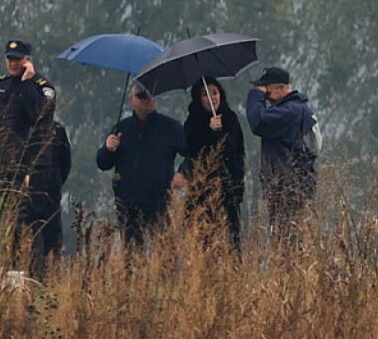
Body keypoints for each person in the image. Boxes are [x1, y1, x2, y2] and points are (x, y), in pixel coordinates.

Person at [94, 84, 187, 248]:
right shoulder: (122, 128)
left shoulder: (171, 127)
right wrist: (108, 149)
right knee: (132, 259)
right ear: (132, 100)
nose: (147, 99)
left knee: (165, 256)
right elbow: (103, 163)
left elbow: (193, 153)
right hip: (128, 204)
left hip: (159, 203)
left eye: (151, 95)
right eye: (141, 95)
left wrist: (183, 172)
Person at [0, 39, 58, 213]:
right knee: (6, 217)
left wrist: (27, 82)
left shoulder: (42, 86)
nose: (12, 63)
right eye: (9, 59)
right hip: (4, 164)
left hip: (31, 166)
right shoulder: (2, 84)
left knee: (29, 218)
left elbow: (39, 115)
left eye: (17, 59)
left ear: (27, 60)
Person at [246, 66, 318, 239]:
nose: (266, 96)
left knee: (288, 242)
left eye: (267, 91)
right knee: (282, 240)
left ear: (280, 87)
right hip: (285, 189)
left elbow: (258, 122)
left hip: (290, 189)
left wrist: (256, 96)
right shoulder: (293, 109)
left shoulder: (290, 111)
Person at [178, 77, 247, 251]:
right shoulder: (191, 123)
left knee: (232, 244)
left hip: (229, 192)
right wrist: (209, 131)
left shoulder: (230, 119)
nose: (212, 98)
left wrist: (238, 186)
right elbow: (193, 152)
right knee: (205, 245)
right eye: (205, 94)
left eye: (214, 92)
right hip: (203, 193)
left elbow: (237, 153)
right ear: (198, 98)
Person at [18, 121, 71, 278]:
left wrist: (54, 182)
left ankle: (49, 288)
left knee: (51, 246)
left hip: (50, 198)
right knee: (23, 246)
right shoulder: (19, 128)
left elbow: (65, 164)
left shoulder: (57, 130)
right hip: (23, 198)